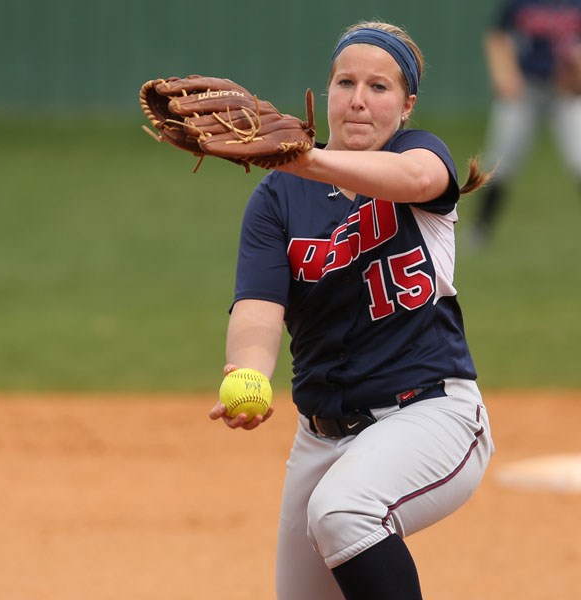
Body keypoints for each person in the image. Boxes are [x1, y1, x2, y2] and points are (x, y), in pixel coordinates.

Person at [207, 20, 495, 600]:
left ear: (406, 104)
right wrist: (247, 371)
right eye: (345, 82)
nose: (359, 100)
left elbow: (415, 179)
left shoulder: (419, 155)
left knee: (345, 512)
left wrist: (304, 158)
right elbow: (259, 308)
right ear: (327, 92)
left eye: (379, 87)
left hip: (428, 414)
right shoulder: (276, 197)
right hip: (321, 435)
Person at [473, 0, 581, 255]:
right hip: (526, 87)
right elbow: (497, 35)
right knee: (501, 159)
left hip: (568, 92)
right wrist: (504, 73)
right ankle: (480, 231)